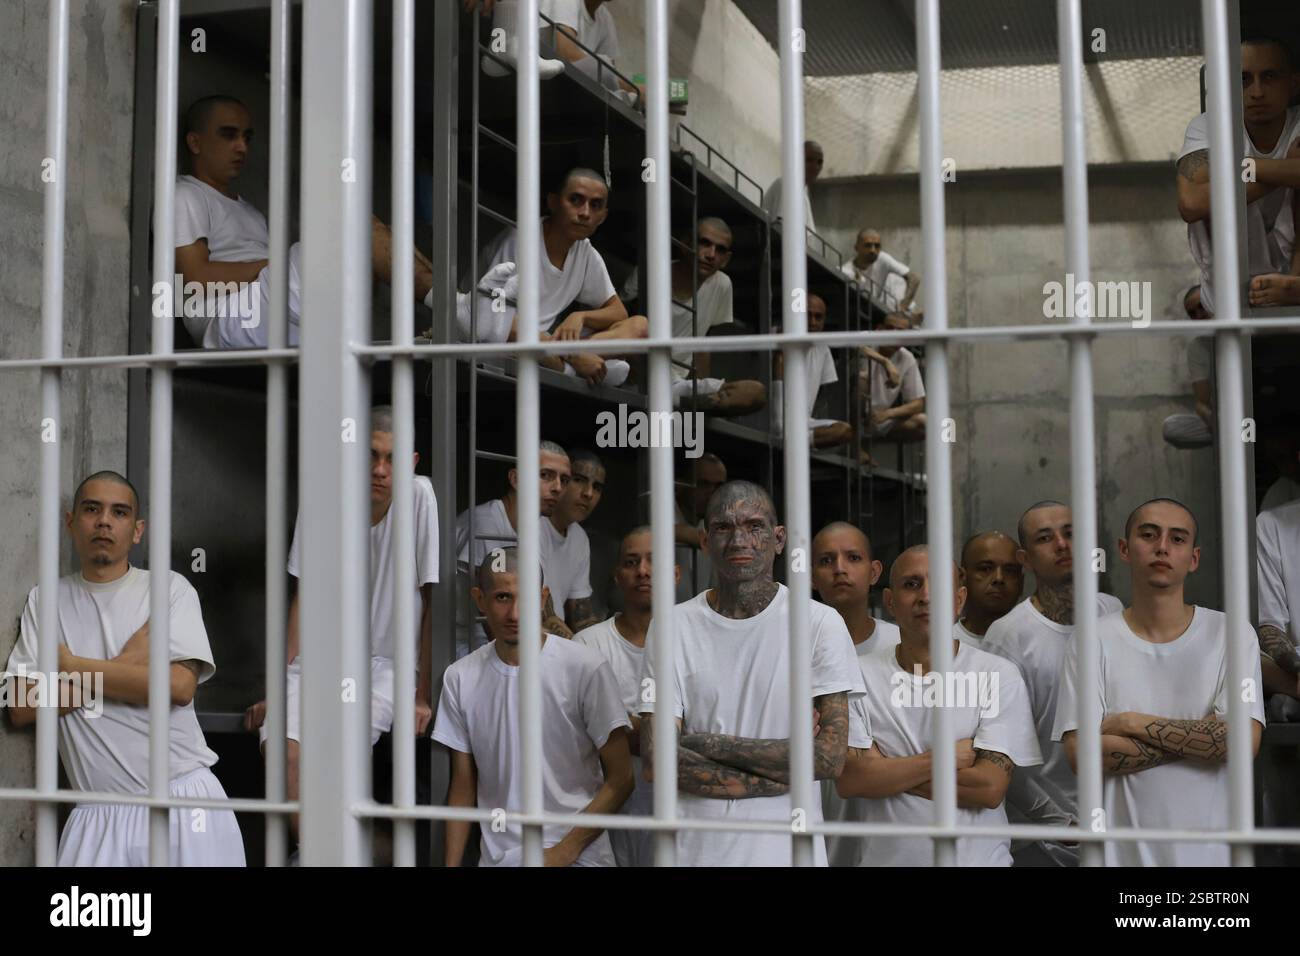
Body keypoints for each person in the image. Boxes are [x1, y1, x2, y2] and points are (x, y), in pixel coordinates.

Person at [3, 471, 244, 866]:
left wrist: (72, 667)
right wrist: (121, 668)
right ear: (70, 521)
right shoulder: (44, 600)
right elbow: (20, 704)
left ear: (137, 530)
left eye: (119, 512)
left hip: (183, 802)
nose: (104, 521)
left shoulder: (170, 590)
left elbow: (178, 688)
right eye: (92, 509)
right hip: (96, 817)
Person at [638, 480, 866, 866]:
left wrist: (705, 743)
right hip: (695, 855)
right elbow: (657, 761)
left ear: (778, 540)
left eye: (754, 526)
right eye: (724, 527)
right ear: (705, 540)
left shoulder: (818, 623)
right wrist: (787, 767)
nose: (739, 539)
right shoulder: (672, 626)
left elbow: (828, 760)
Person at [244, 406, 440, 848]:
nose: (379, 469)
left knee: (335, 762)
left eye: (392, 458)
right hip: (321, 660)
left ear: (411, 463)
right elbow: (303, 598)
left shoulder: (419, 496)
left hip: (390, 667)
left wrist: (423, 693)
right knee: (283, 753)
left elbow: (432, 600)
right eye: (370, 454)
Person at [1053, 498, 1265, 867]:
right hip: (1119, 858)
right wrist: (1207, 739)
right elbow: (1081, 756)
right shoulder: (1092, 638)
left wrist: (1131, 724)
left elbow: (1243, 743)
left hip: (1211, 859)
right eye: (1149, 535)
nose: (1162, 546)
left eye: (1177, 539)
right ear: (1124, 549)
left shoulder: (1230, 634)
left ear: (1194, 558)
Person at [173, 95, 439, 349]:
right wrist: (275, 266)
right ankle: (453, 309)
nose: (242, 146)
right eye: (229, 134)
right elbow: (196, 278)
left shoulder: (250, 211)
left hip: (267, 311)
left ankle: (448, 317)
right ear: (195, 143)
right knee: (358, 227)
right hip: (231, 318)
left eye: (247, 137)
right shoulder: (186, 194)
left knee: (378, 242)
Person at [835, 545, 1041, 866]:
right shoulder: (858, 676)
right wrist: (948, 757)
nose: (926, 596)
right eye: (912, 584)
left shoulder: (997, 674)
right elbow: (851, 781)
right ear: (889, 601)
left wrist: (887, 772)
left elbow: (988, 788)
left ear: (959, 599)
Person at [435, 548, 634, 866]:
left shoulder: (585, 667)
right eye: (502, 597)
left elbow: (622, 778)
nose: (514, 614)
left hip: (581, 856)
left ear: (543, 598)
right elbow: (463, 786)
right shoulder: (460, 678)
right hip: (501, 857)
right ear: (479, 599)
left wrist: (565, 851)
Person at [980, 500, 1123, 866]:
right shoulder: (1008, 635)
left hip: (1116, 824)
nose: (1062, 544)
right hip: (1042, 841)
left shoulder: (1113, 611)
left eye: (1071, 533)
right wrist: (1060, 822)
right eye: (1046, 538)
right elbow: (999, 750)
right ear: (1025, 559)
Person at [468, 168, 645, 385]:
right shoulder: (521, 239)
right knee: (513, 331)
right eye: (576, 200)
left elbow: (619, 312)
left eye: (595, 205)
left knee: (641, 327)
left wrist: (581, 317)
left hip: (546, 343)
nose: (585, 212)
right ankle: (574, 365)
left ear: (603, 217)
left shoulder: (585, 252)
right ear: (553, 202)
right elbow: (495, 318)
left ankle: (572, 360)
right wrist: (570, 351)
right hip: (500, 335)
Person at [574, 526, 678, 866]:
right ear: (618, 576)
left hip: (681, 809)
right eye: (631, 562)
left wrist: (618, 725)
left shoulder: (694, 644)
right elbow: (582, 737)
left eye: (653, 561)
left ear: (675, 574)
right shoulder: (588, 645)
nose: (643, 571)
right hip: (606, 811)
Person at [1176, 37, 1300, 313]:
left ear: (1293, 84)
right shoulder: (1206, 127)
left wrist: (1239, 170)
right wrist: (1284, 171)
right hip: (1230, 287)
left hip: (1291, 274)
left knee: (1220, 191)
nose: (1257, 92)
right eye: (1244, 79)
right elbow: (1191, 203)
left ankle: (1295, 282)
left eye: (1269, 77)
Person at [810, 521, 900, 867]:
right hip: (814, 810)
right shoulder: (785, 644)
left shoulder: (903, 645)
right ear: (811, 575)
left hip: (889, 816)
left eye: (853, 558)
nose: (840, 569)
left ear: (875, 571)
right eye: (826, 560)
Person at [622, 218, 766, 416]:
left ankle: (704, 404)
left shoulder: (722, 285)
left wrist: (700, 392)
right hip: (634, 375)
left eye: (720, 249)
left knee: (756, 392)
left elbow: (702, 343)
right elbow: (622, 326)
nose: (711, 255)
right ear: (686, 244)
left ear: (726, 259)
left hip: (675, 383)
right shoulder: (650, 272)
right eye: (705, 243)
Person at [454, 440, 578, 652]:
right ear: (516, 479)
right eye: (546, 475)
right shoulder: (487, 522)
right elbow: (494, 620)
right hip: (461, 646)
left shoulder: (536, 527)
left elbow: (544, 613)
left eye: (564, 480)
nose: (558, 487)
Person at [773, 293, 853, 450]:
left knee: (845, 431)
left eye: (818, 317)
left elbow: (824, 392)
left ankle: (794, 442)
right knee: (781, 427)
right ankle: (794, 441)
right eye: (806, 315)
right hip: (769, 420)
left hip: (801, 423)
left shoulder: (822, 346)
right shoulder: (771, 335)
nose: (812, 322)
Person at [549, 448, 604, 632]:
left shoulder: (579, 537)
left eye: (596, 487)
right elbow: (540, 616)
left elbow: (583, 616)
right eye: (579, 480)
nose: (588, 493)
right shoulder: (532, 525)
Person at [859, 310, 926, 449]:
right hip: (851, 416)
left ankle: (868, 443)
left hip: (877, 418)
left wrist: (887, 414)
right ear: (879, 329)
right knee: (861, 380)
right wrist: (886, 362)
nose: (893, 334)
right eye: (889, 328)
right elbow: (858, 347)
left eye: (899, 331)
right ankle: (855, 442)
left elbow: (918, 403)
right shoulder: (868, 339)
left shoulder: (907, 358)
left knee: (924, 423)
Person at [1255, 499, 1300, 701]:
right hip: (1294, 672)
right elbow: (1269, 627)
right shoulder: (1271, 525)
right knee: (1243, 660)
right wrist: (1297, 667)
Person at [1161, 285, 1216, 450]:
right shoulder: (1198, 347)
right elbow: (1202, 404)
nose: (1199, 316)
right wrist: (1216, 421)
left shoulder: (1243, 326)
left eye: (1202, 306)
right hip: (1227, 417)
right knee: (1172, 428)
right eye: (1193, 314)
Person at [672, 452, 726, 603]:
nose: (714, 494)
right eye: (704, 484)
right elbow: (651, 531)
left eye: (719, 486)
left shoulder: (710, 523)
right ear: (680, 484)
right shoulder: (659, 510)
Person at [955, 531, 1024, 645]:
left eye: (1010, 571)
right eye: (985, 569)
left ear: (1021, 582)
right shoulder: (938, 645)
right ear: (962, 577)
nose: (999, 578)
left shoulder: (1035, 642)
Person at [841, 228, 922, 319]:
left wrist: (904, 304)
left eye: (877, 246)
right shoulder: (845, 271)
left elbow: (914, 278)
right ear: (856, 248)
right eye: (868, 245)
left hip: (879, 310)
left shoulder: (882, 258)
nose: (873, 250)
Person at [763, 140, 823, 233]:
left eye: (819, 162)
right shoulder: (786, 185)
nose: (815, 166)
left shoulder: (804, 196)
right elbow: (781, 230)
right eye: (809, 160)